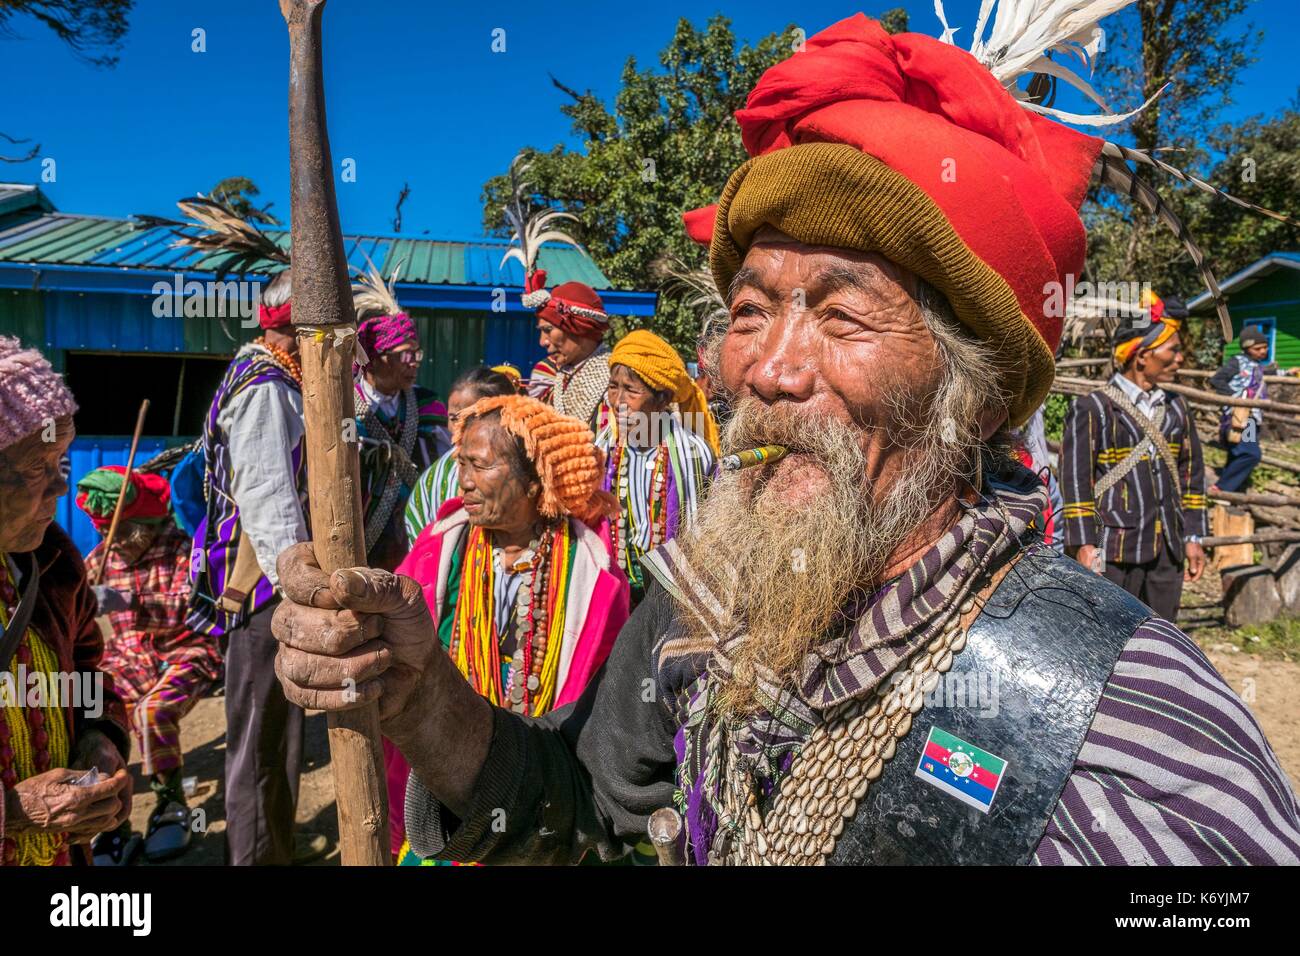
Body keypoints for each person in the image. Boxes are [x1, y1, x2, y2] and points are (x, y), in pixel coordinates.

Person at [270, 14, 1300, 865]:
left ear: (976, 397)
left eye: (842, 317)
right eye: (752, 310)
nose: (766, 368)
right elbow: (575, 806)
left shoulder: (1110, 724)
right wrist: (422, 697)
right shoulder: (701, 597)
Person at [382, 394, 629, 863]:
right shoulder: (443, 552)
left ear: (536, 483)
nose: (464, 482)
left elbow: (599, 704)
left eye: (480, 466)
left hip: (541, 777)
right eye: (461, 465)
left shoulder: (593, 578)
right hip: (447, 760)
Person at [187, 269, 315, 866]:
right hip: (265, 592)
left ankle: (271, 854)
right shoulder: (266, 387)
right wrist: (298, 585)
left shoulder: (275, 379)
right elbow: (268, 499)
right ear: (297, 330)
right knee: (260, 750)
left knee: (274, 744)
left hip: (271, 590)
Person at [0, 337, 132, 866]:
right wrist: (14, 810)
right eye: (37, 465)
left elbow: (86, 666)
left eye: (62, 460)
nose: (60, 485)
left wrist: (100, 736)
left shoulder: (49, 561)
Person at [76, 466, 222, 865]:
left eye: (121, 532)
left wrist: (128, 602)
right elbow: (72, 608)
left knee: (152, 712)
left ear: (143, 523)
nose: (112, 541)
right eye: (106, 532)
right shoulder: (101, 559)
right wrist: (83, 603)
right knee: (92, 707)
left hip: (185, 652)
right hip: (127, 657)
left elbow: (190, 611)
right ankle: (112, 822)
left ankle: (171, 804)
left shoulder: (180, 550)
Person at [1061, 306, 1209, 621]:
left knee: (1163, 634)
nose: (1180, 358)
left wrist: (1194, 537)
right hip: (1112, 548)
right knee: (1108, 634)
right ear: (1141, 356)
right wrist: (1084, 544)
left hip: (1168, 548)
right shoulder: (1093, 409)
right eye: (1174, 350)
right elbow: (1075, 484)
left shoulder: (1177, 408)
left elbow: (1192, 475)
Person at [599, 330, 718, 605]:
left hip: (673, 596)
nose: (617, 401)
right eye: (613, 387)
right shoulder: (603, 449)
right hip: (617, 594)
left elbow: (704, 534)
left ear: (662, 399)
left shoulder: (693, 454)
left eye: (630, 390)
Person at [351, 264, 451, 571]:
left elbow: (445, 469)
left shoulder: (427, 405)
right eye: (404, 354)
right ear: (375, 358)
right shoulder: (343, 407)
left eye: (416, 354)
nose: (414, 363)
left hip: (414, 543)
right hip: (357, 544)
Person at [404, 366, 518, 543]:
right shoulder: (434, 481)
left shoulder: (533, 469)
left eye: (473, 417)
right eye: (453, 418)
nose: (460, 427)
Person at [1209, 324, 1299, 493]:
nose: (1263, 351)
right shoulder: (1237, 362)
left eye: (1265, 347)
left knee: (1238, 451)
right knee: (1251, 454)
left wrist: (1288, 372)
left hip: (1251, 417)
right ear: (1247, 347)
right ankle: (1221, 488)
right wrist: (1235, 399)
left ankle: (1231, 489)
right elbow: (1217, 380)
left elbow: (1268, 374)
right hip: (1243, 417)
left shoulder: (1255, 365)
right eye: (1258, 348)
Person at [524, 269, 613, 429]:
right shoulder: (554, 379)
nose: (542, 342)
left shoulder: (618, 385)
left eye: (548, 330)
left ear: (579, 328)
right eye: (541, 331)